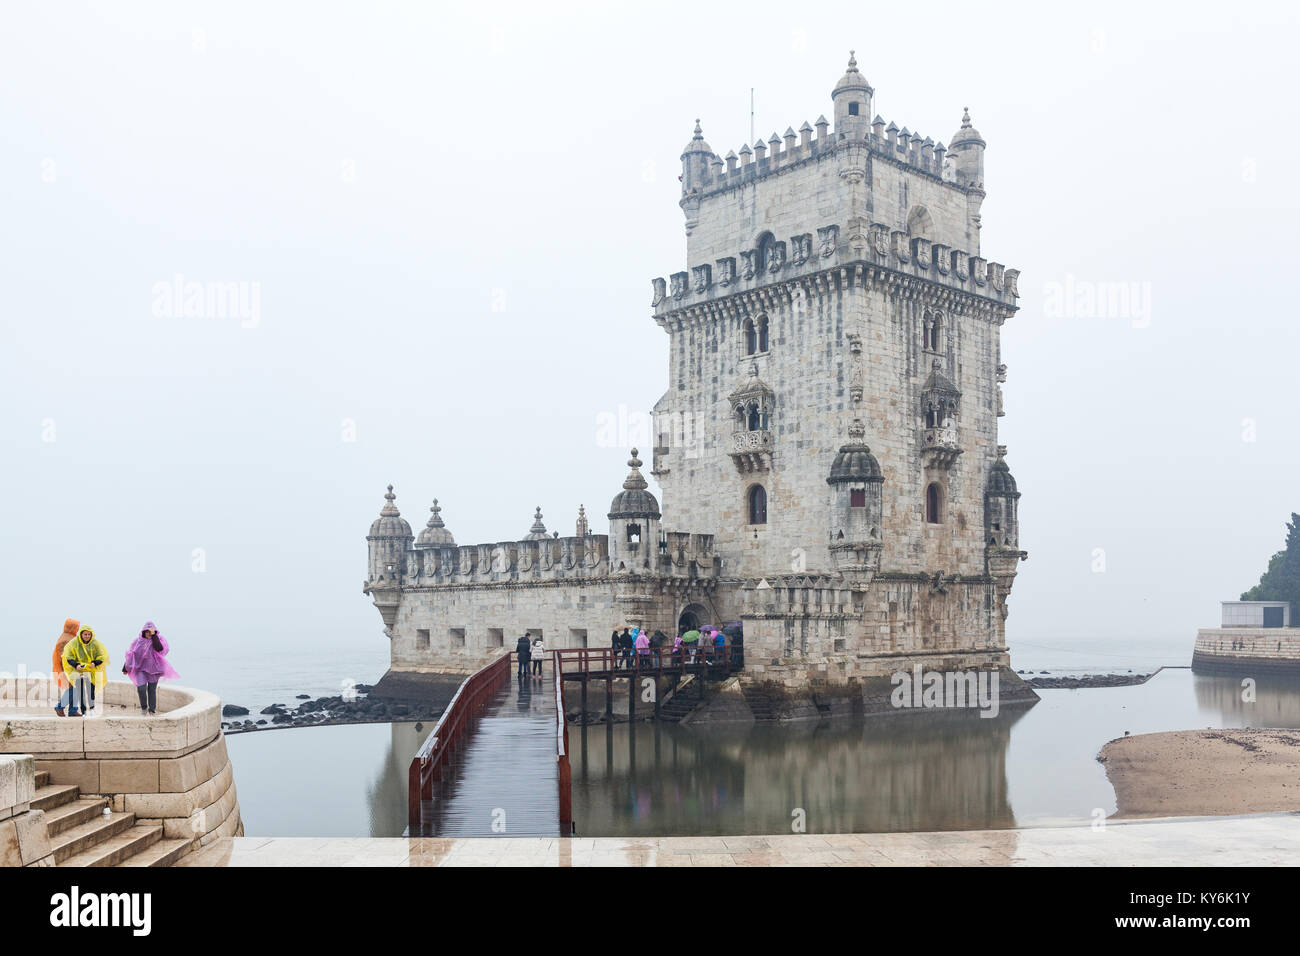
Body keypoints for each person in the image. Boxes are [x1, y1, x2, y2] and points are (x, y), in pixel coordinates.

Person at [122, 621, 180, 715]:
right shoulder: (138, 641)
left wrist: (154, 636)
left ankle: (152, 710)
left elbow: (159, 648)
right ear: (143, 632)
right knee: (141, 689)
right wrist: (125, 667)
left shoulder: (158, 640)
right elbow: (132, 654)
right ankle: (144, 708)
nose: (149, 633)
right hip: (141, 669)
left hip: (154, 669)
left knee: (151, 690)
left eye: (151, 632)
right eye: (147, 632)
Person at [63, 625, 109, 716]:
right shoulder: (74, 643)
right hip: (78, 670)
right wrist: (76, 665)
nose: (87, 636)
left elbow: (101, 655)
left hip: (91, 670)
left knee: (90, 690)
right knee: (81, 692)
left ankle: (92, 709)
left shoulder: (95, 644)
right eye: (85, 634)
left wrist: (95, 663)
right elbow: (68, 656)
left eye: (89, 634)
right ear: (81, 634)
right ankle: (84, 711)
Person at [52, 618, 81, 716]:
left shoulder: (69, 637)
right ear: (72, 627)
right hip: (69, 669)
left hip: (73, 667)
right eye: (76, 627)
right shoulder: (65, 639)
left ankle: (73, 710)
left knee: (76, 688)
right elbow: (64, 656)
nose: (77, 629)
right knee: (73, 688)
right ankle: (60, 706)